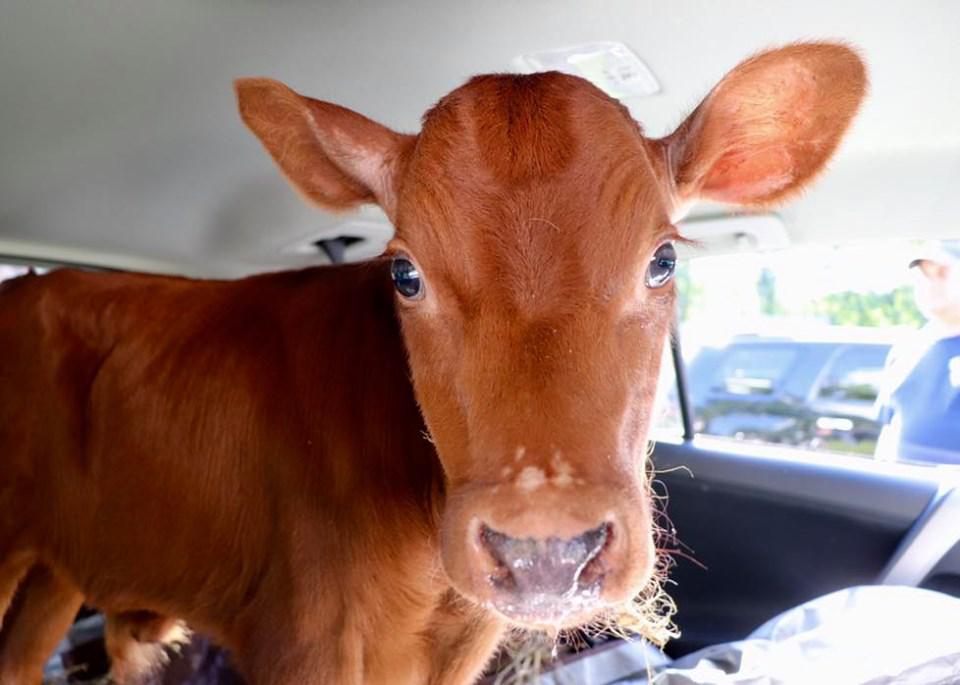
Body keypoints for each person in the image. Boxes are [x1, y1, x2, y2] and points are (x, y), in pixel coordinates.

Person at [875, 240, 960, 464]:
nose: (931, 283)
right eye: (924, 275)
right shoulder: (905, 351)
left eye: (942, 273)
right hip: (902, 483)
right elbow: (888, 429)